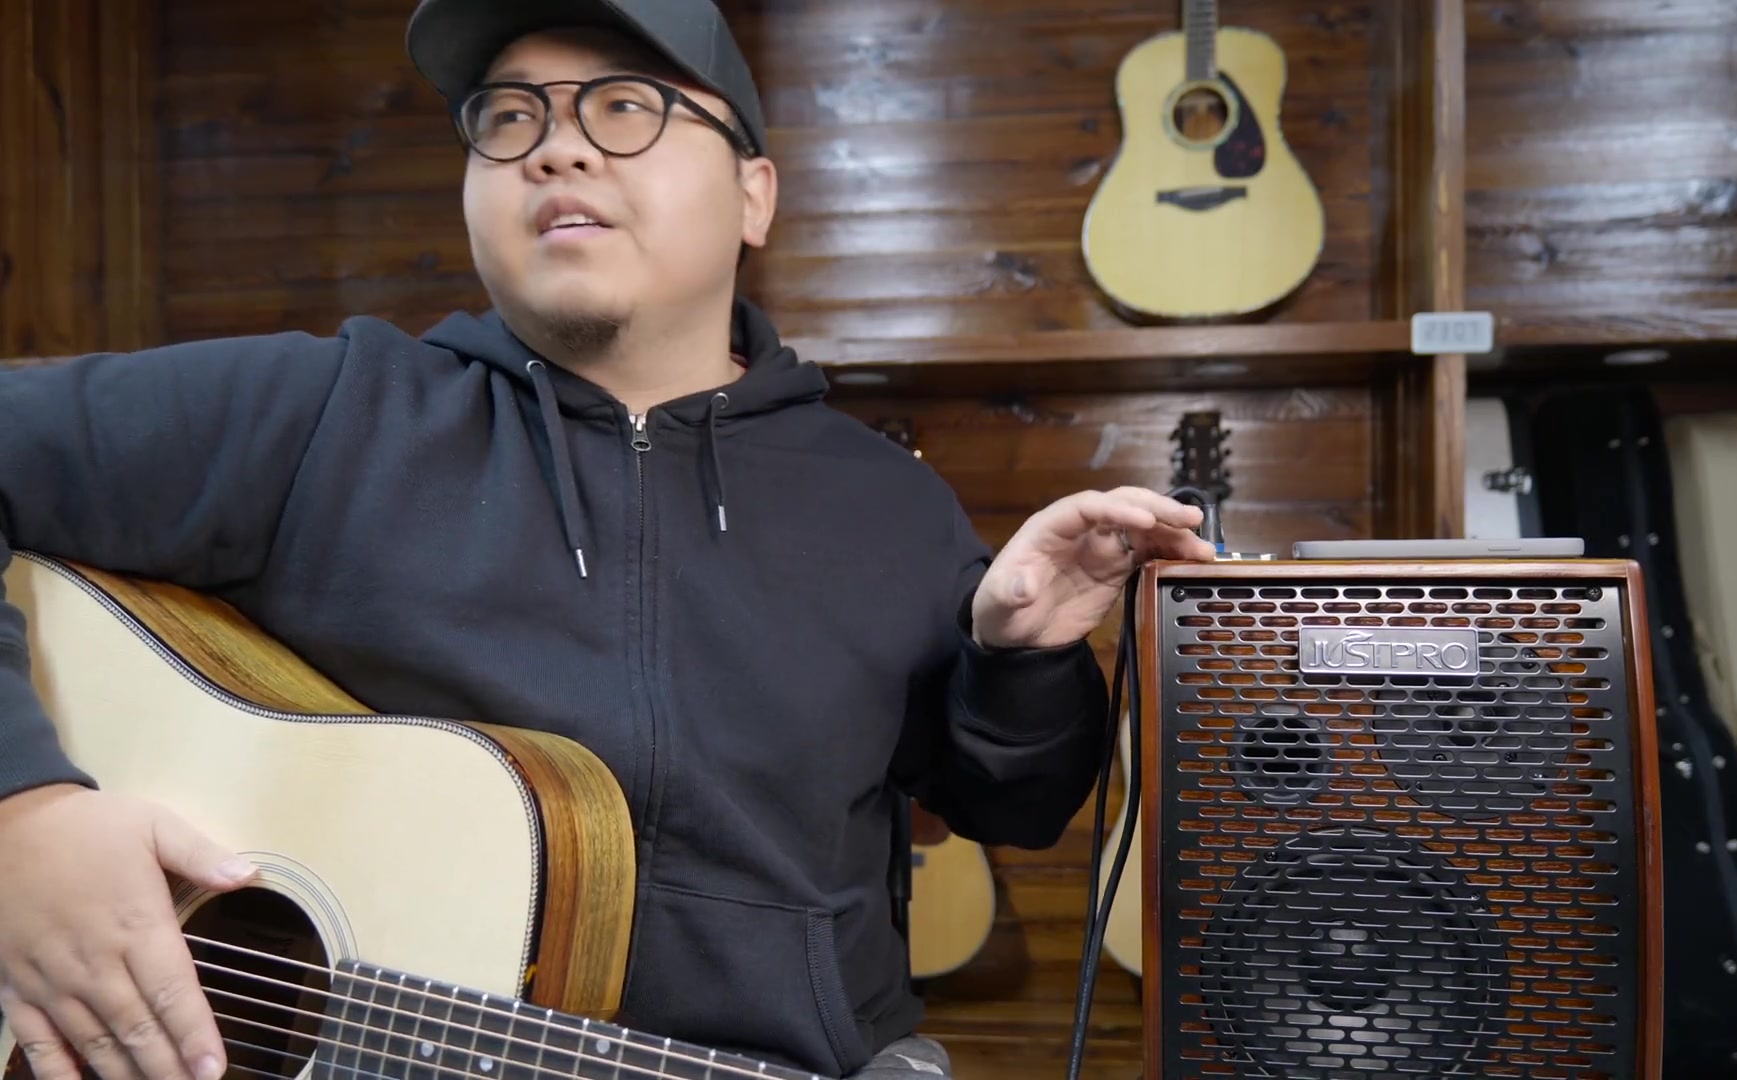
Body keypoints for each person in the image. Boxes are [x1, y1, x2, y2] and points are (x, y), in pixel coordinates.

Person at [0, 1, 1215, 1079]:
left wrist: (1019, 659)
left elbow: (1015, 808)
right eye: (509, 117)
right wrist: (25, 814)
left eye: (625, 106)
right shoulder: (322, 413)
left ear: (754, 194)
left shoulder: (891, 505)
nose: (557, 146)